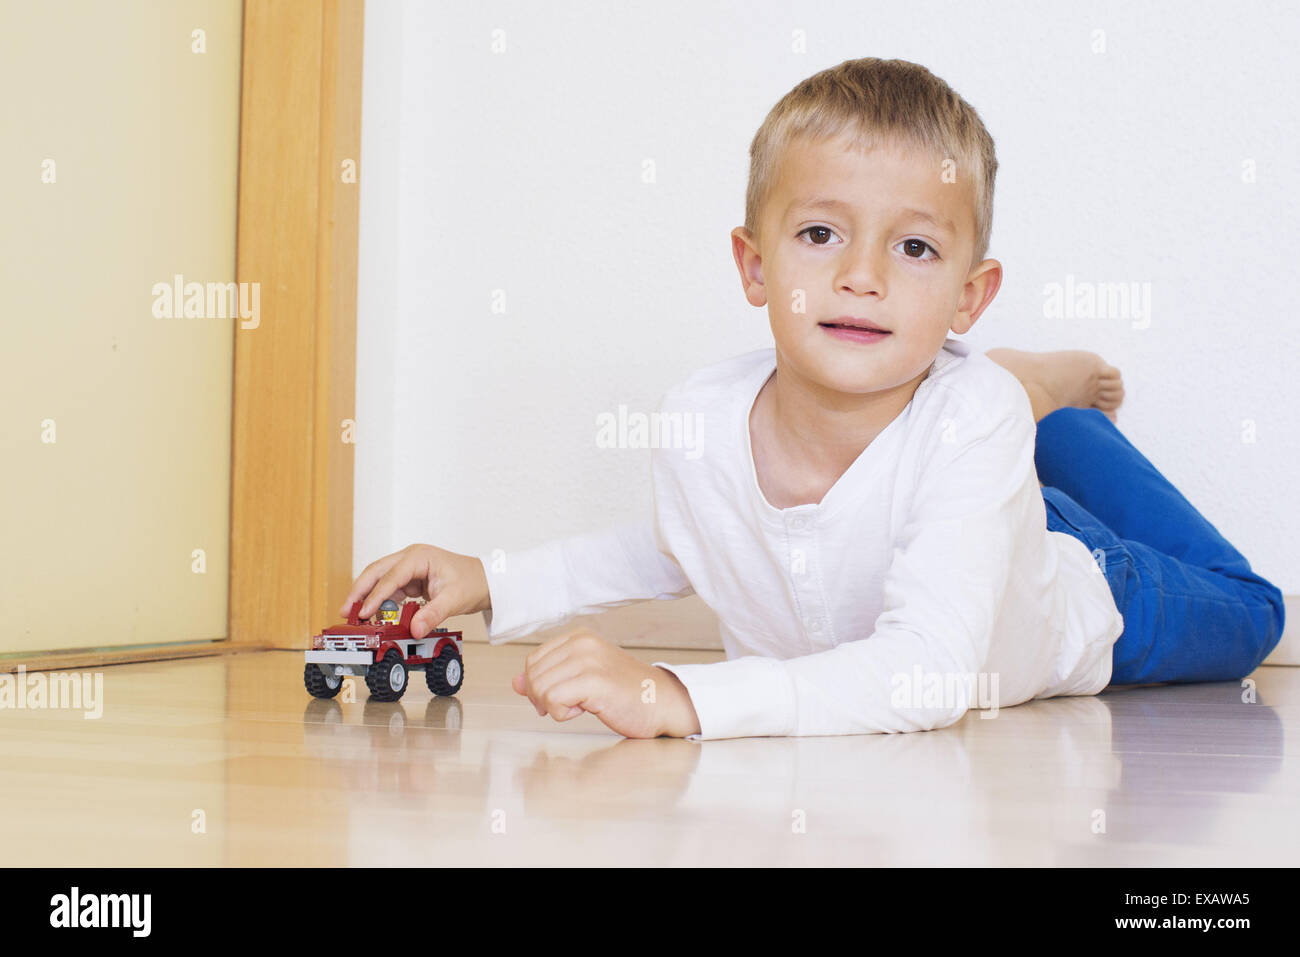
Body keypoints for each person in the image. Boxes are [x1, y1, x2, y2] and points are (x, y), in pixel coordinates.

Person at [341, 58, 1285, 741]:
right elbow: (678, 540)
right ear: (755, 265)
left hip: (1083, 580)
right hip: (969, 479)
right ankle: (1026, 392)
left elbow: (927, 677)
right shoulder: (704, 420)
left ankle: (1051, 408)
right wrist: (495, 578)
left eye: (913, 248)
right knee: (979, 422)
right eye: (822, 233)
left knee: (1254, 614)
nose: (862, 276)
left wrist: (681, 696)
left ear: (968, 292)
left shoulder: (971, 419)